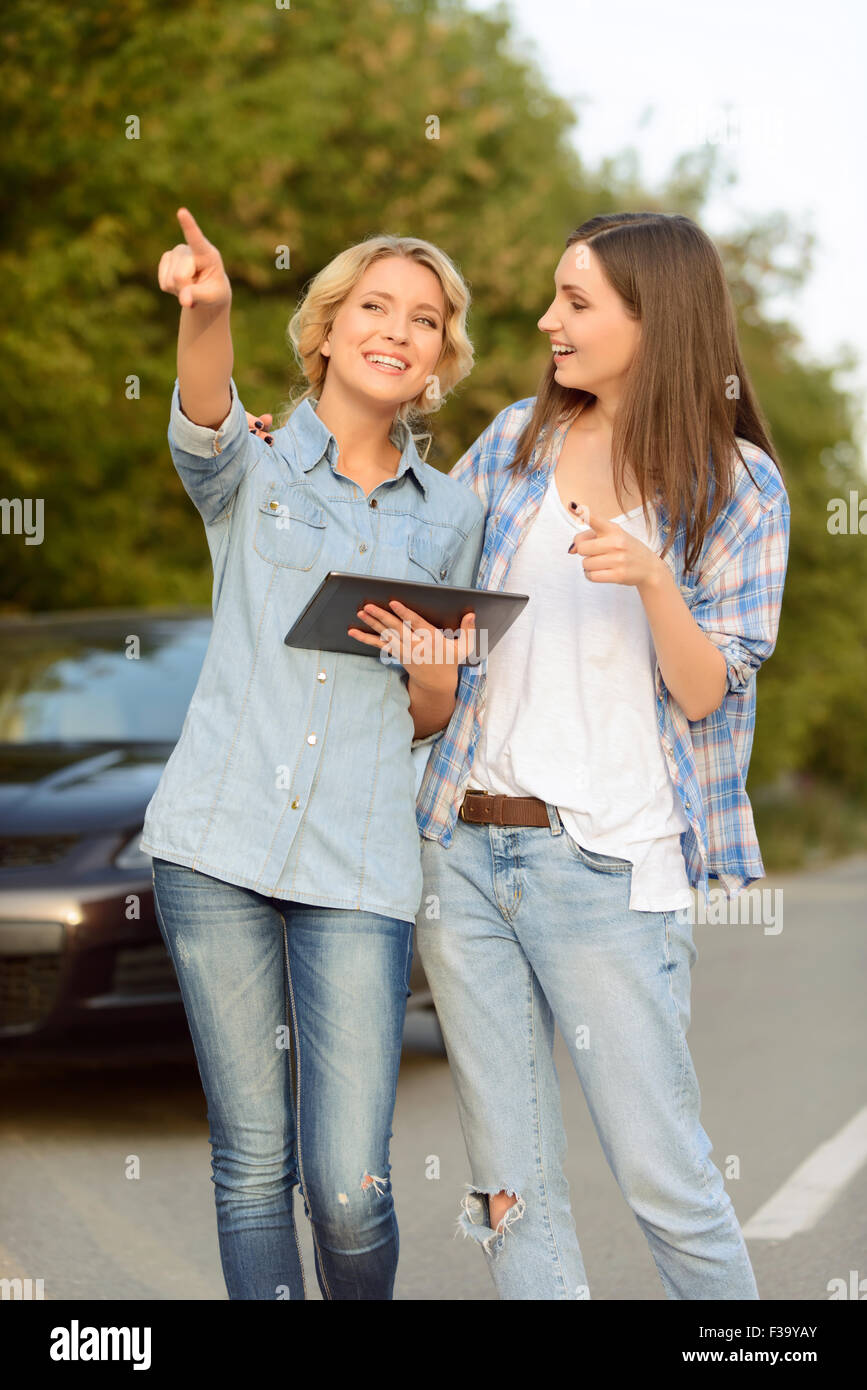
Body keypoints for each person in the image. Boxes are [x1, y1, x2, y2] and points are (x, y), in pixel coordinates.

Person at [345, 210, 791, 1299]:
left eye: (577, 301)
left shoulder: (739, 488)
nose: (548, 319)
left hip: (609, 868)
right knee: (511, 1188)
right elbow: (415, 549)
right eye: (554, 295)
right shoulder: (516, 441)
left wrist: (652, 579)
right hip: (465, 846)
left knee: (666, 1177)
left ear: (658, 318)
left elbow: (707, 687)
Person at [140, 208, 484, 1300]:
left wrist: (432, 663)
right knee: (253, 1164)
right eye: (375, 307)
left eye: (423, 320)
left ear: (439, 356)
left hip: (358, 865)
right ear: (329, 330)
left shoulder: (454, 515)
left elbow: (432, 711)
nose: (399, 330)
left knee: (349, 1185)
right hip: (216, 844)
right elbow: (202, 407)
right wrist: (211, 312)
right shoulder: (254, 467)